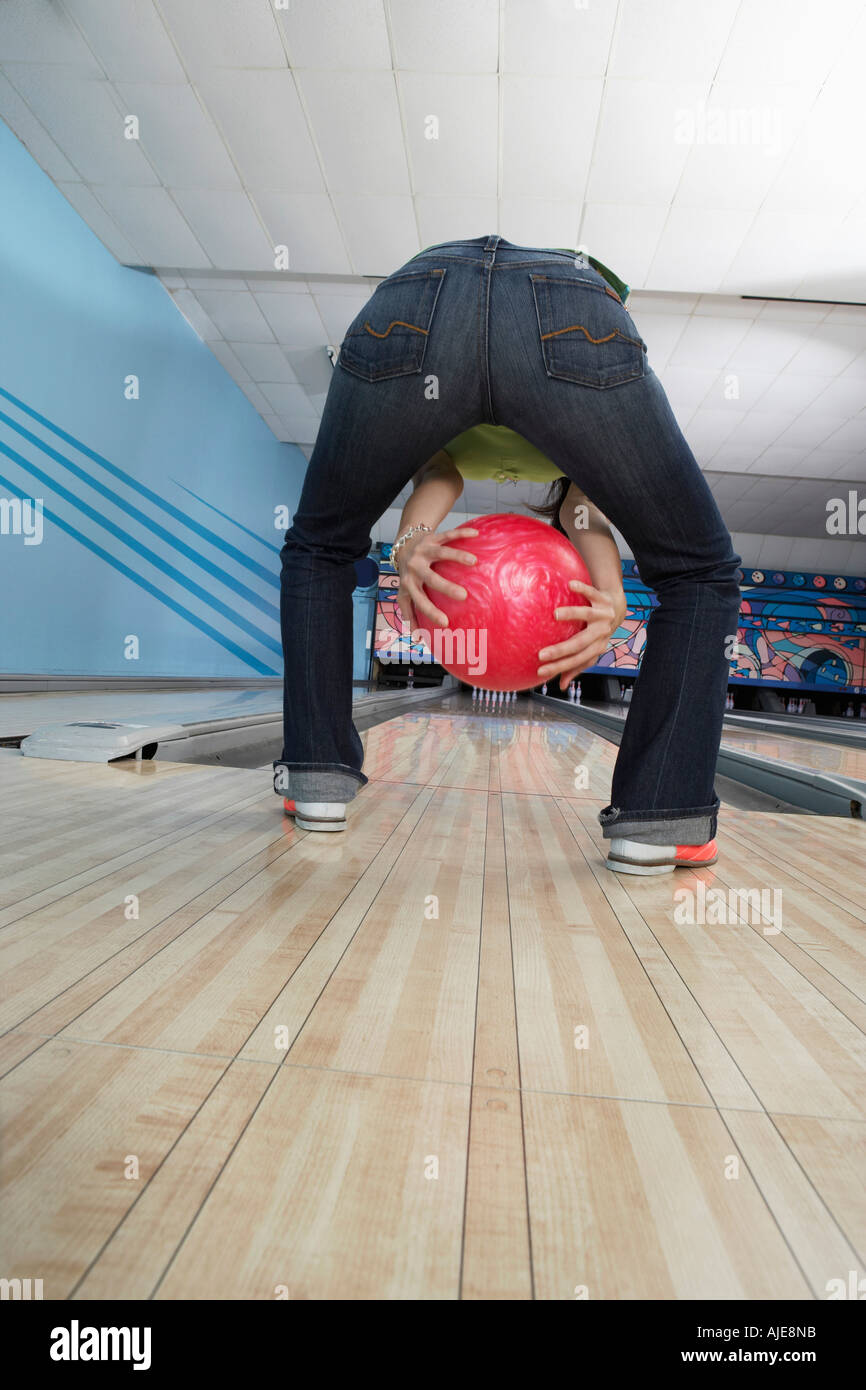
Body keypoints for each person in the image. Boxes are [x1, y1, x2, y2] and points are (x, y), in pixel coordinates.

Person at [274, 235, 741, 875]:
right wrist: (412, 546)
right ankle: (663, 818)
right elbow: (552, 500)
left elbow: (462, 479)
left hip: (416, 296)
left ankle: (316, 780)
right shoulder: (580, 416)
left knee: (320, 544)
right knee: (701, 574)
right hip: (573, 306)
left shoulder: (452, 415)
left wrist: (605, 596)